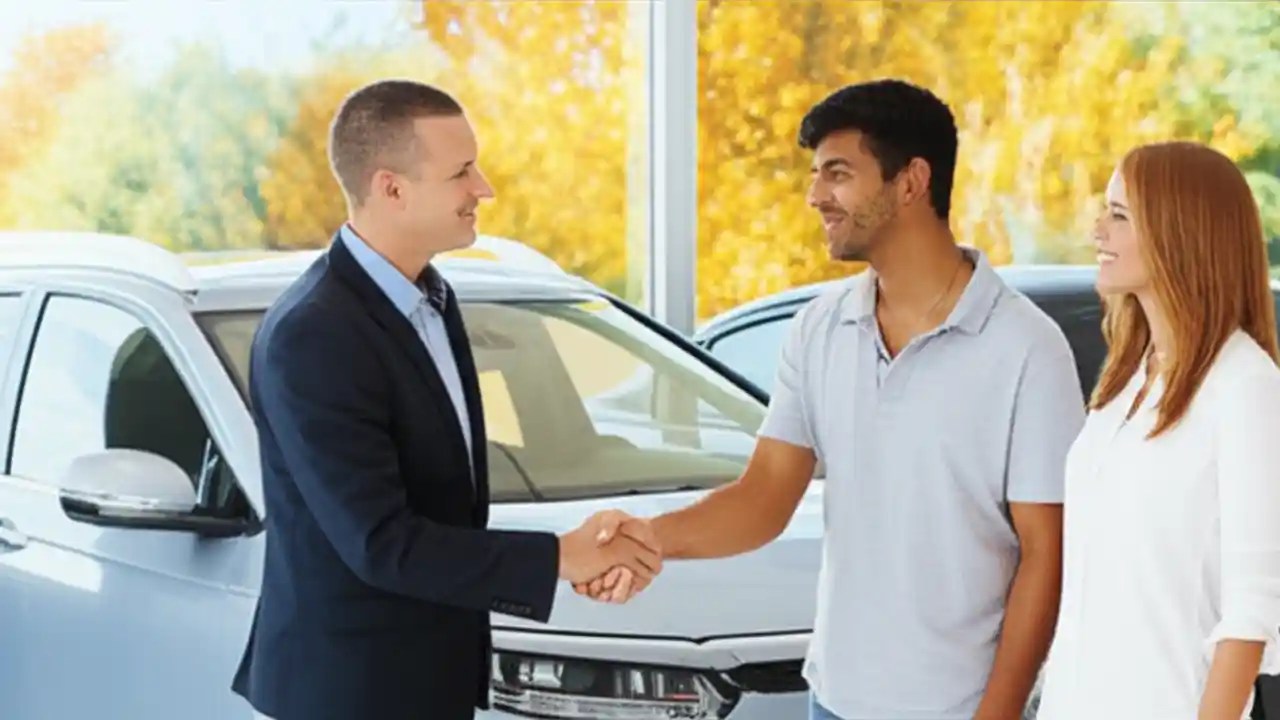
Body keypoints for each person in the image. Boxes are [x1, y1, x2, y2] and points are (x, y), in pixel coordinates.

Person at [581, 79, 1086, 720]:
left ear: (910, 182)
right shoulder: (821, 327)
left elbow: (1047, 552)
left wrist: (1000, 714)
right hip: (836, 699)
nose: (816, 196)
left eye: (837, 174)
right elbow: (764, 496)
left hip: (956, 707)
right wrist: (648, 538)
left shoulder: (1024, 347)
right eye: (817, 176)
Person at [230, 79, 661, 720]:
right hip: (352, 694)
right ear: (391, 189)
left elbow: (442, 508)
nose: (482, 188)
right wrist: (563, 557)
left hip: (431, 681)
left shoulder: (432, 297)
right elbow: (382, 542)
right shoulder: (314, 334)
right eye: (461, 172)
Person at [1036, 141, 1280, 720]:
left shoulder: (1245, 385)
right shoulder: (1126, 381)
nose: (1098, 230)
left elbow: (1255, 610)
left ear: (1180, 233)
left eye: (1119, 215)